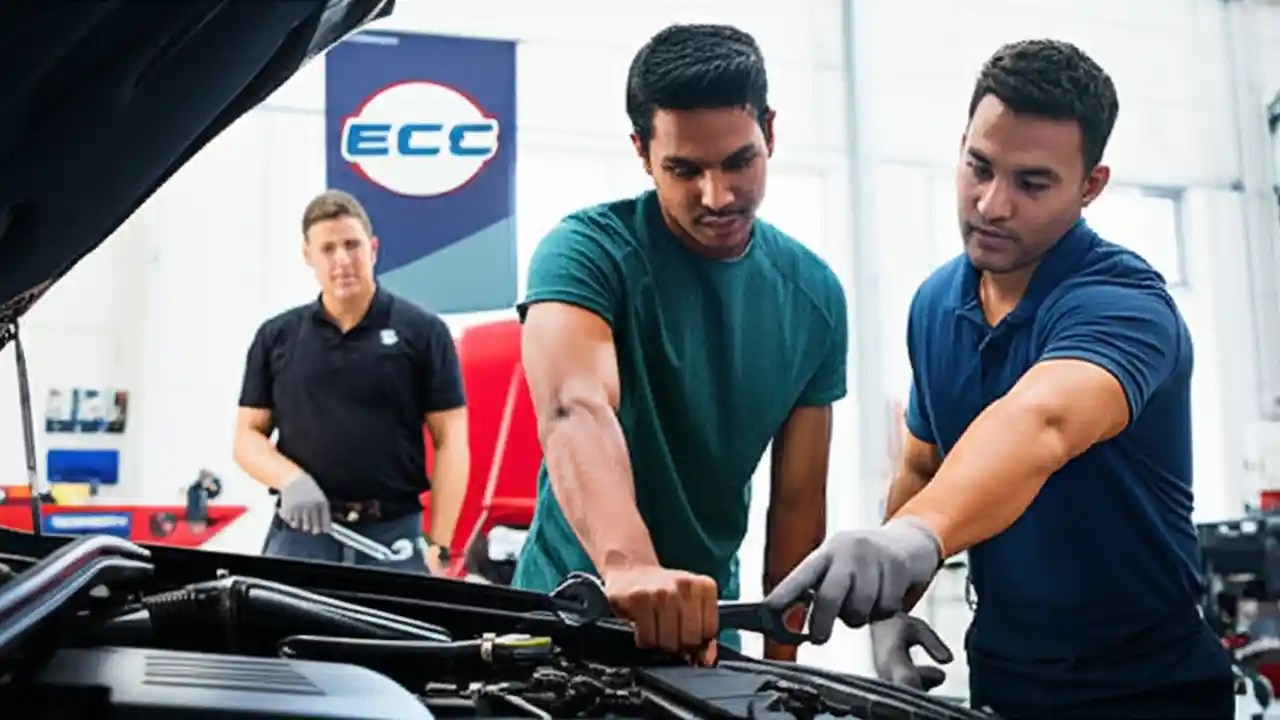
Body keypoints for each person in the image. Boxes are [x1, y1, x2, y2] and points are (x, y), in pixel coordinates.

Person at [764, 39, 1235, 718]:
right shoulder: (936, 303)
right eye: (979, 167)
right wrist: (893, 608)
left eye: (1031, 183)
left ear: (1091, 185)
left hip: (1148, 690)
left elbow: (1041, 423)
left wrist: (915, 538)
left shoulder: (1125, 306)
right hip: (1005, 677)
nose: (992, 204)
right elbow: (923, 465)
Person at [512, 23, 848, 662]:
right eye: (684, 170)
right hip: (564, 620)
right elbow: (573, 407)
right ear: (642, 152)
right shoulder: (584, 252)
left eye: (739, 163)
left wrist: (781, 675)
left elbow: (797, 504)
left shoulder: (814, 296)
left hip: (705, 636)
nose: (717, 196)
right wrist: (629, 566)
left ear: (769, 133)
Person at [233, 190, 470, 575]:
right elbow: (247, 437)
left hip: (393, 540)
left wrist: (438, 544)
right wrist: (290, 480)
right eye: (328, 249)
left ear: (373, 248)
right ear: (308, 255)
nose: (342, 260)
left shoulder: (424, 332)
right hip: (301, 538)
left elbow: (451, 441)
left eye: (352, 245)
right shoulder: (276, 337)